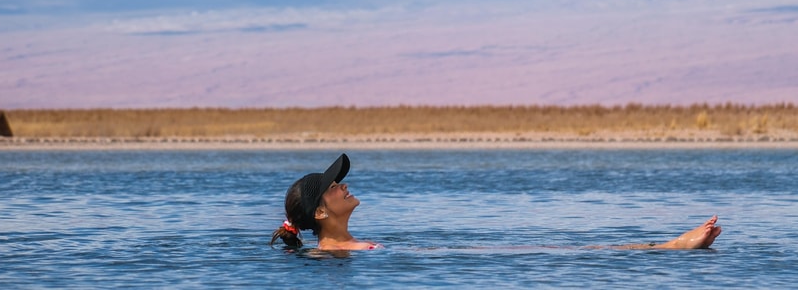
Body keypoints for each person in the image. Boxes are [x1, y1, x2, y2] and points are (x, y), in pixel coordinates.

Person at [269, 153, 723, 252]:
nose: (344, 186)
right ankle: (670, 247)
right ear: (320, 213)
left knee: (570, 251)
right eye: (334, 187)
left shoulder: (350, 248)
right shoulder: (359, 251)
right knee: (568, 252)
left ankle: (668, 246)